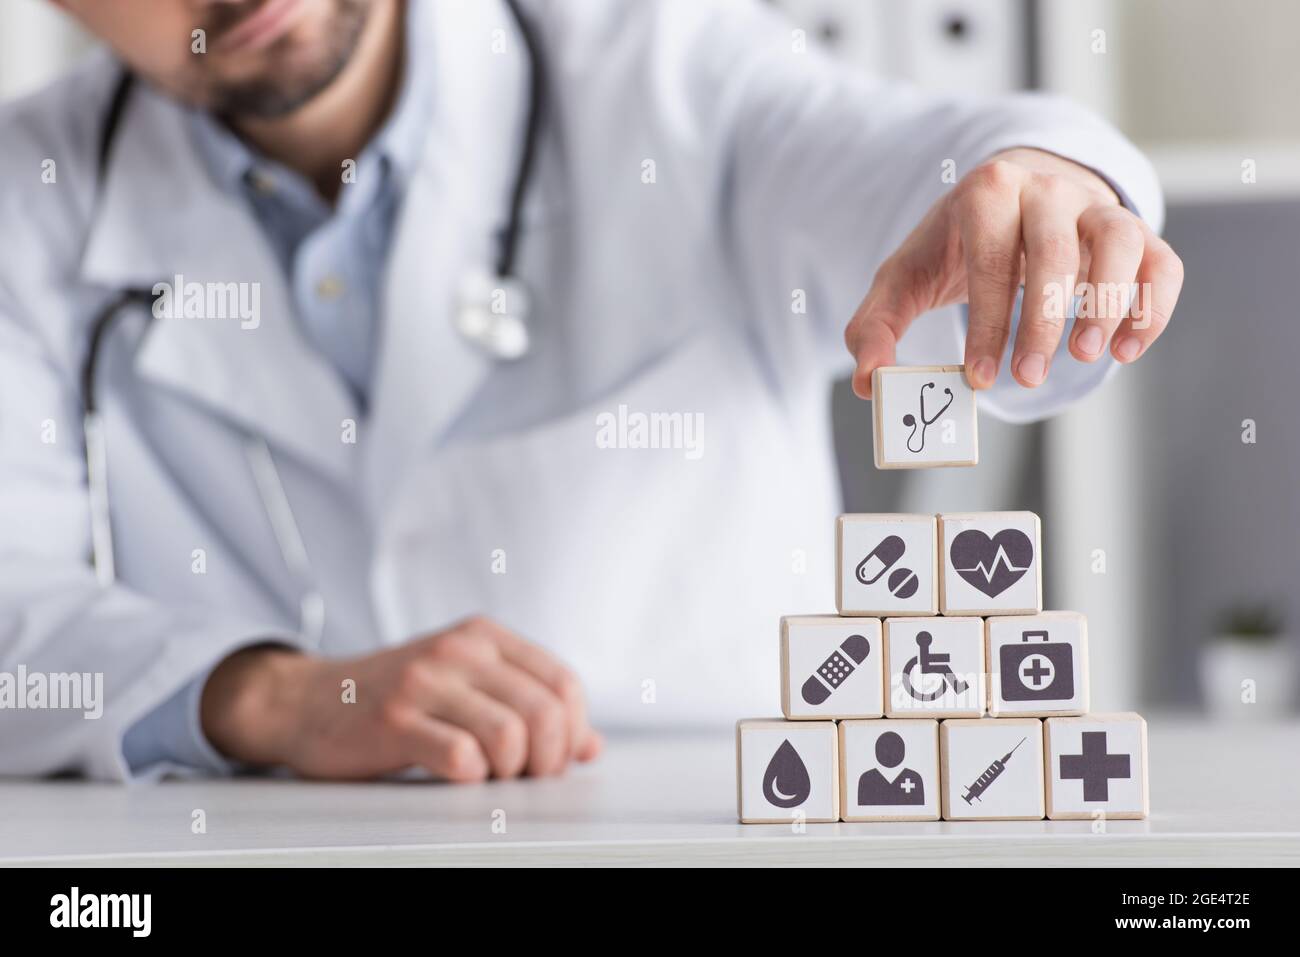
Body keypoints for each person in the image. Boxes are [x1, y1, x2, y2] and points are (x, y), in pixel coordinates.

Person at [0, 0, 1182, 782]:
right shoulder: (27, 199)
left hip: (722, 832)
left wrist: (1039, 186)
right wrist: (266, 697)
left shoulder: (664, 69)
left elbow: (905, 160)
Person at [857, 731, 924, 806]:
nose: (890, 753)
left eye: (895, 749)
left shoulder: (914, 777)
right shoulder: (867, 778)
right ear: (876, 751)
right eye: (885, 749)